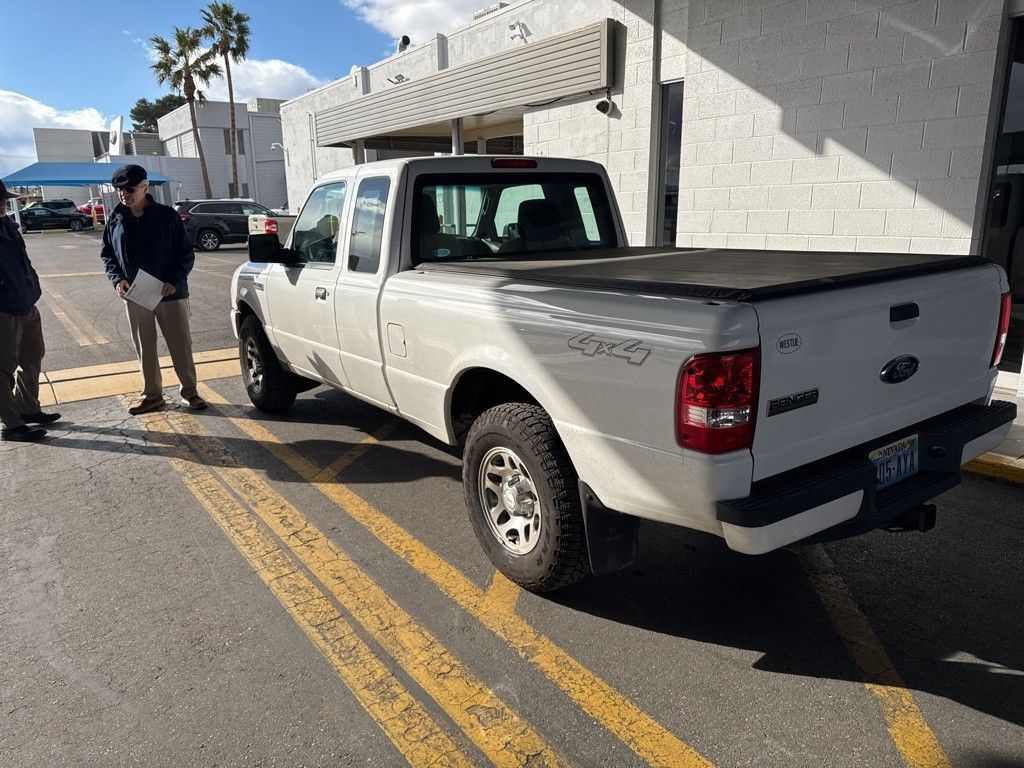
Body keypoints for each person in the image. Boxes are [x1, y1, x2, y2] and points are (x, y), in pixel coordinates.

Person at [100, 164, 207, 414]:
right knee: (144, 347)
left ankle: (190, 393)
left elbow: (185, 253)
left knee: (180, 345)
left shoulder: (166, 215)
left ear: (145, 187)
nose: (124, 194)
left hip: (169, 293)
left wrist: (175, 280)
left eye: (129, 189)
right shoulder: (115, 219)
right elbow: (107, 255)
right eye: (119, 190)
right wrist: (117, 280)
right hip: (136, 295)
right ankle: (152, 395)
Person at [0, 180, 61, 441]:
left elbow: (24, 263)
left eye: (3, 199)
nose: (3, 203)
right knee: (3, 369)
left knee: (32, 359)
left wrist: (33, 287)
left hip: (26, 305)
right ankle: (12, 424)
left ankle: (27, 409)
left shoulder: (8, 225)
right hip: (4, 310)